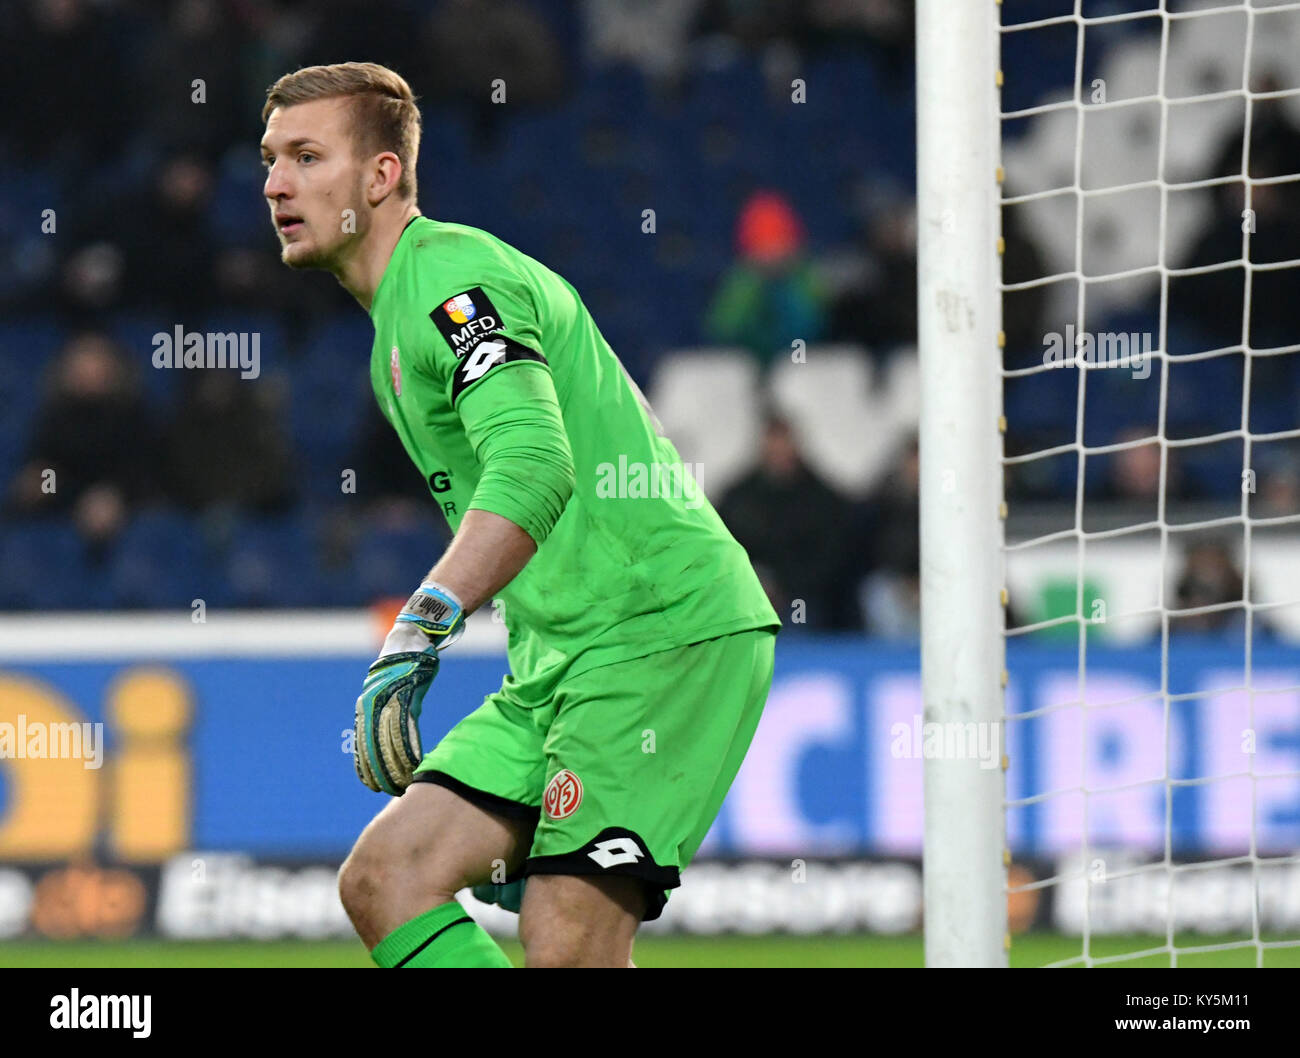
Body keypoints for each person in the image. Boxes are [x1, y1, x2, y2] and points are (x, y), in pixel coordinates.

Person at [260, 62, 779, 968]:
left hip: (657, 631)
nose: (275, 183)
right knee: (387, 878)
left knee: (566, 942)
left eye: (307, 156)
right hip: (563, 659)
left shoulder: (450, 280)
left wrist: (418, 627)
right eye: (270, 159)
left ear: (381, 177)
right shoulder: (396, 327)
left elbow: (537, 467)